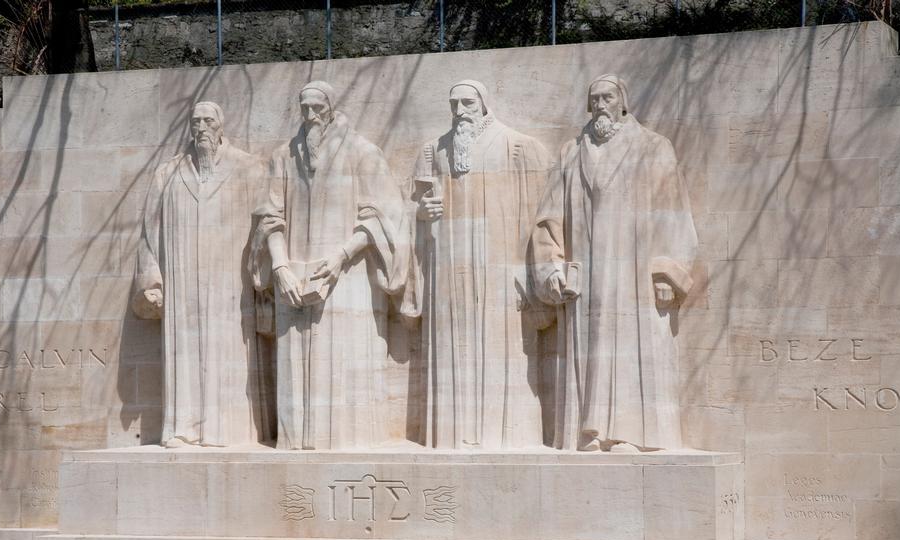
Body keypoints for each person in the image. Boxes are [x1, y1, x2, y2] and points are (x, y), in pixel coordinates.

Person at [530, 74, 698, 452]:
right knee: (589, 351)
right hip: (585, 275)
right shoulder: (570, 153)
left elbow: (673, 212)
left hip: (634, 273)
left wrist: (668, 272)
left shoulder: (653, 147)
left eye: (608, 97)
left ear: (623, 102)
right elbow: (548, 217)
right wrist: (551, 265)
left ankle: (633, 434)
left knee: (633, 349)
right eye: (594, 99)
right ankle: (588, 433)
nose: (600, 105)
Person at [250, 81, 411, 450]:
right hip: (292, 278)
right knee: (295, 375)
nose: (310, 116)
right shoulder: (283, 158)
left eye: (317, 108)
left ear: (331, 109)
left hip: (348, 278)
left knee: (344, 367)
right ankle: (296, 445)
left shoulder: (363, 153)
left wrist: (341, 257)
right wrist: (279, 267)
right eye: (304, 108)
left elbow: (384, 217)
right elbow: (269, 218)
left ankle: (348, 446)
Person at [403, 80, 552, 449]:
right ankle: (451, 436)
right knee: (451, 348)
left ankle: (502, 436)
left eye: (467, 103)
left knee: (502, 351)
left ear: (484, 104)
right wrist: (422, 214)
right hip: (447, 269)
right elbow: (411, 208)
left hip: (500, 268)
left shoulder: (516, 147)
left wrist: (528, 270)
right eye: (453, 104)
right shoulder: (434, 150)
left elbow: (541, 213)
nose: (459, 111)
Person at [133, 100, 275, 448]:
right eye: (195, 122)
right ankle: (183, 427)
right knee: (184, 350)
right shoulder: (168, 173)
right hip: (183, 282)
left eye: (208, 121)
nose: (201, 128)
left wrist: (265, 273)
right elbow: (149, 232)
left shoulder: (247, 168)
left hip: (230, 283)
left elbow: (268, 222)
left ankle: (226, 428)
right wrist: (152, 280)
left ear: (220, 126)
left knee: (227, 349)